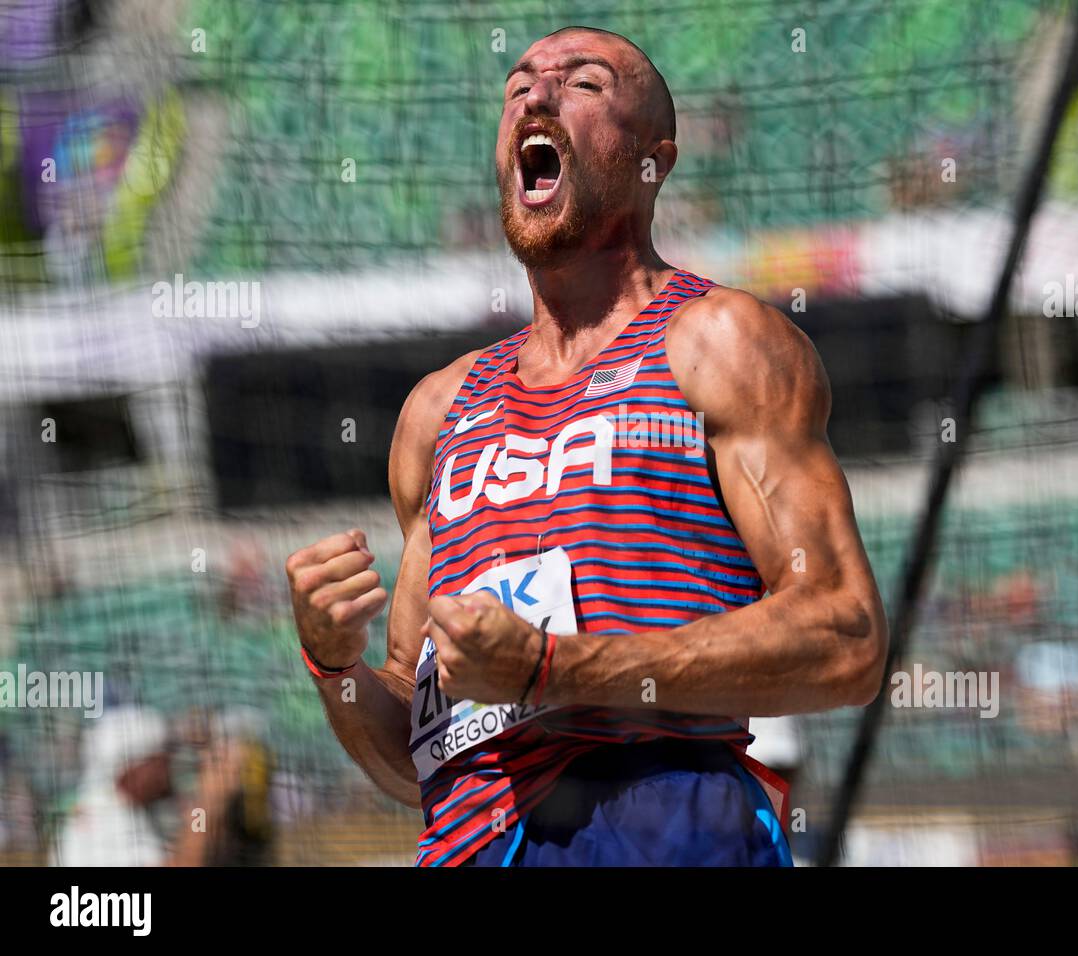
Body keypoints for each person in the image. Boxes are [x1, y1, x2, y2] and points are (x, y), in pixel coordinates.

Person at [287, 26, 887, 867]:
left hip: (657, 819)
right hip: (468, 847)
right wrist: (332, 664)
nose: (536, 96)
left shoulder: (718, 342)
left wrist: (553, 669)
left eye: (584, 85)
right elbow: (414, 758)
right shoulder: (438, 410)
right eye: (518, 86)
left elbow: (845, 635)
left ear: (654, 160)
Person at [52, 705, 250, 866]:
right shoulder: (104, 814)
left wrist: (204, 811)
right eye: (156, 758)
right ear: (129, 769)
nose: (166, 764)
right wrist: (206, 803)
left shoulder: (113, 803)